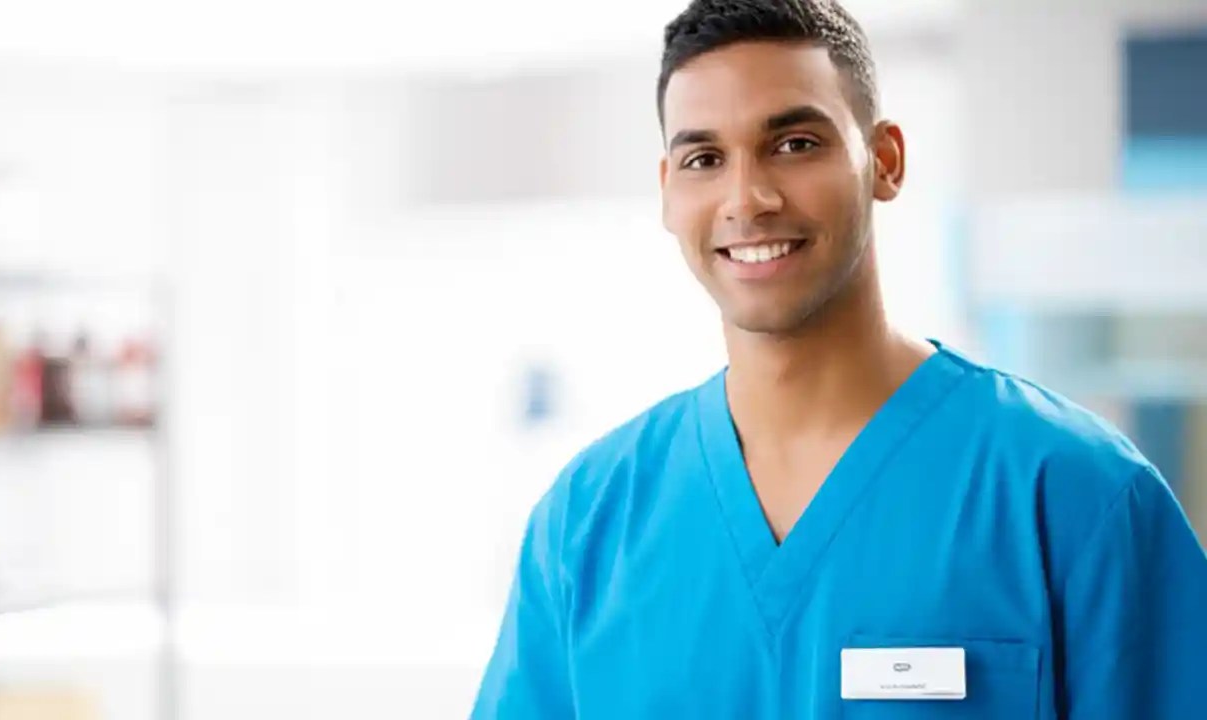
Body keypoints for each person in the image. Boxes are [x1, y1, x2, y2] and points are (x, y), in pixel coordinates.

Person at [470, 0, 1207, 717]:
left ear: (884, 161)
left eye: (794, 144)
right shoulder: (588, 522)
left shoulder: (1074, 494)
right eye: (704, 158)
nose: (747, 197)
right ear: (668, 191)